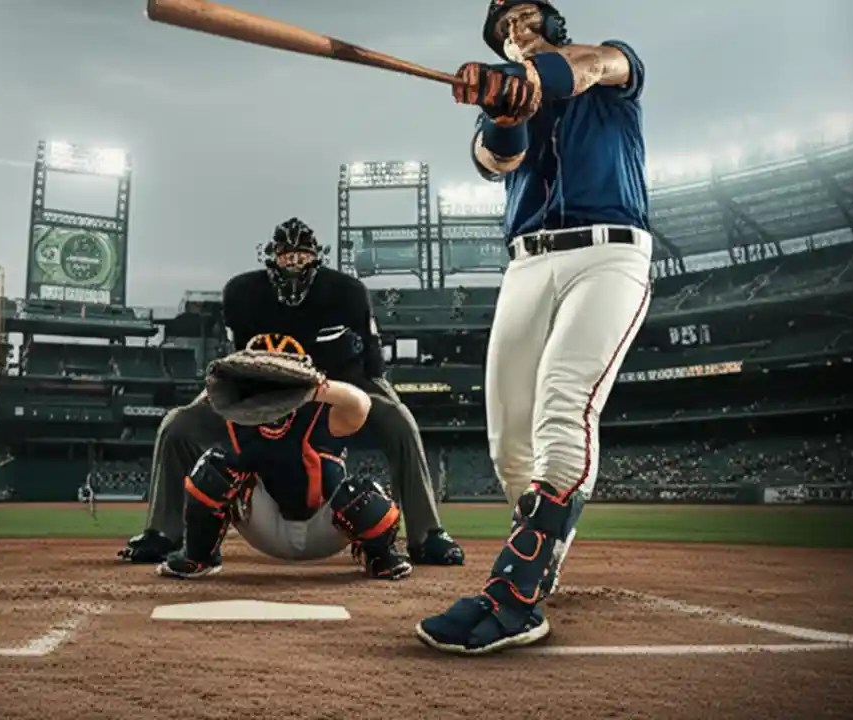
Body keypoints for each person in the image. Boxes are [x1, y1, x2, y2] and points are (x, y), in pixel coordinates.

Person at [416, 0, 653, 654]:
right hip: (526, 264)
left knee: (562, 405)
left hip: (607, 254)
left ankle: (514, 594)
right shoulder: (503, 94)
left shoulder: (609, 62)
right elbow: (497, 161)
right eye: (504, 28)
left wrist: (528, 78)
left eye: (525, 16)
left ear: (553, 21)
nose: (515, 30)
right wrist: (503, 110)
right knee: (509, 444)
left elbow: (590, 67)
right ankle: (540, 561)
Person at [118, 218, 464, 566]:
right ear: (272, 257)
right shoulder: (242, 293)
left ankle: (426, 534)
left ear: (316, 257)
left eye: (302, 255)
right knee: (177, 426)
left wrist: (367, 390)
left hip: (336, 383)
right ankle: (164, 532)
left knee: (400, 421)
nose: (295, 262)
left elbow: (372, 360)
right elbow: (238, 358)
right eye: (287, 255)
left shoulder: (347, 291)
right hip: (265, 384)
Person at [158, 334, 413, 580]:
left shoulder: (322, 415)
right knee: (213, 467)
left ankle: (380, 556)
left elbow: (361, 403)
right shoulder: (234, 414)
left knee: (361, 493)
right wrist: (233, 382)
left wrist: (314, 387)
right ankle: (199, 556)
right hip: (264, 526)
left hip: (324, 527)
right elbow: (190, 419)